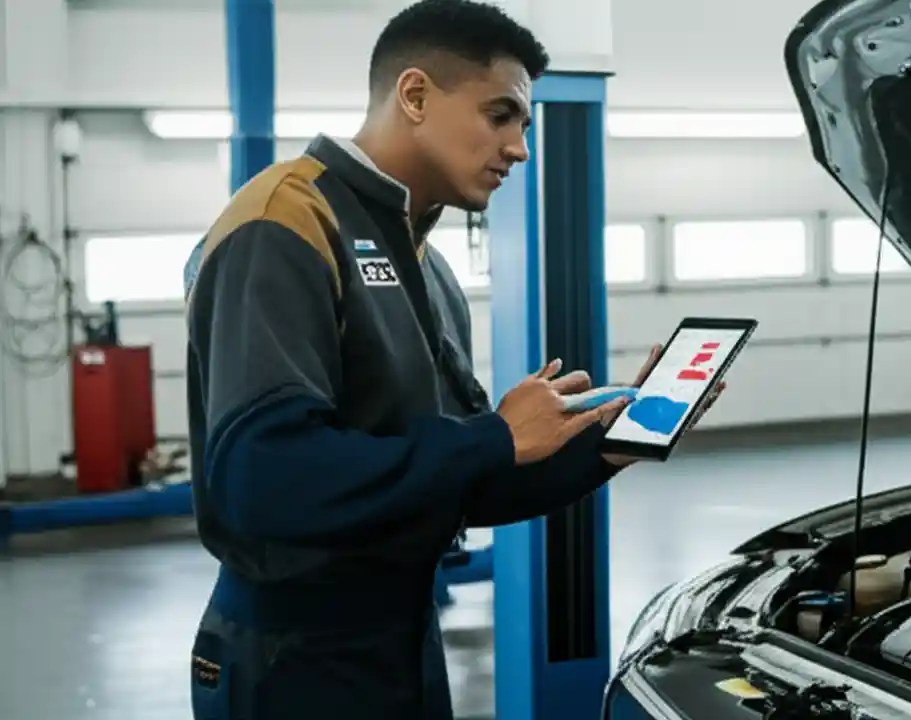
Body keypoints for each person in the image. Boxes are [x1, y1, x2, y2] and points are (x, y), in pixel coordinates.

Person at [181, 1, 724, 718]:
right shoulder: (283, 224)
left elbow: (465, 482)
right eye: (500, 115)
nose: (520, 148)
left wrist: (613, 443)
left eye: (523, 126)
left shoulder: (427, 268)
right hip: (291, 653)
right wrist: (494, 435)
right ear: (413, 95)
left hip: (397, 640)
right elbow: (263, 481)